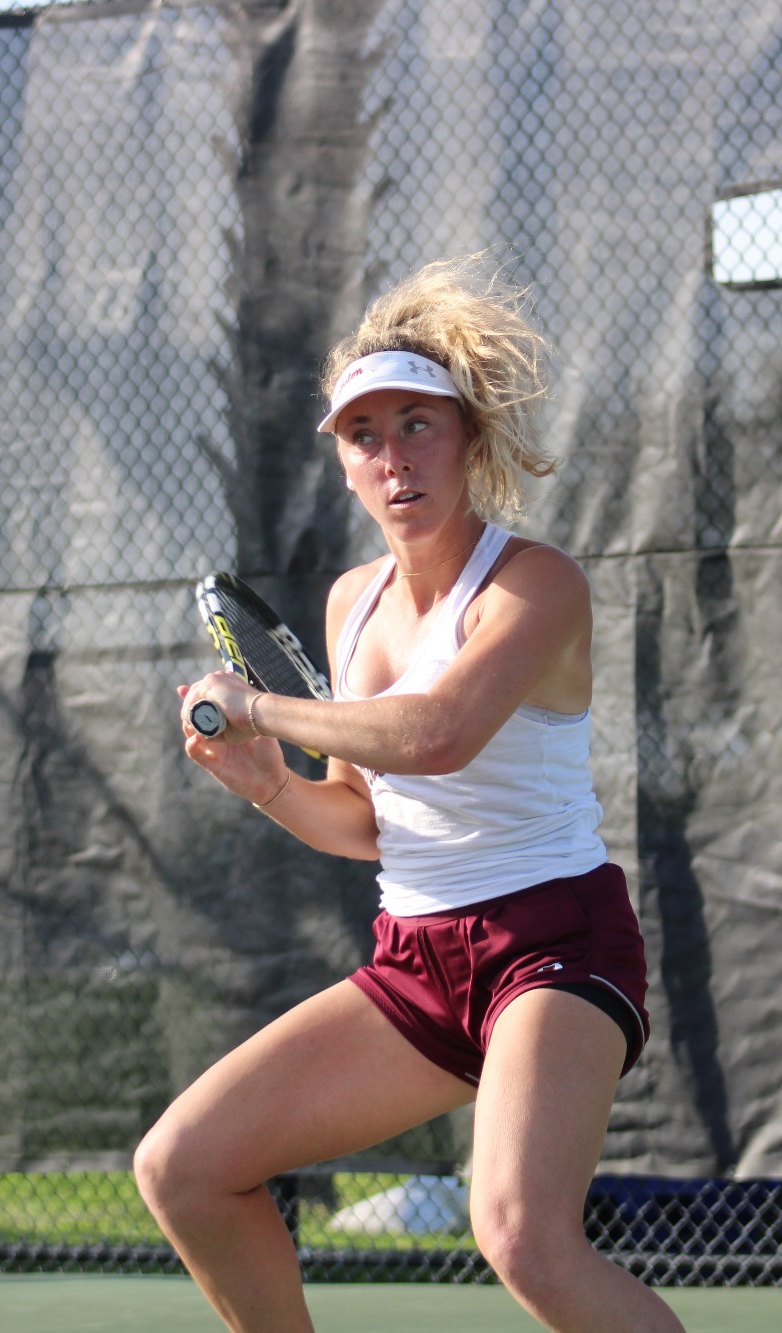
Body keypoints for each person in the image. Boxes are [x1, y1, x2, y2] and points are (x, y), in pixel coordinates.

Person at [136, 257, 685, 1333]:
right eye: (363, 435)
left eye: (417, 424)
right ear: (342, 463)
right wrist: (268, 789)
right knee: (185, 1166)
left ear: (468, 436)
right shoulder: (351, 603)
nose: (393, 457)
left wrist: (257, 713)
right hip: (415, 961)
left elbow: (435, 735)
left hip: (553, 947)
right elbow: (361, 813)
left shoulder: (536, 583)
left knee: (521, 1233)